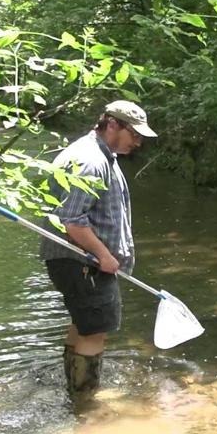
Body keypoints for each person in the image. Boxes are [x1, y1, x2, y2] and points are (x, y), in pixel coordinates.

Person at [40, 99, 155, 402]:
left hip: (81, 263)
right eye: (135, 134)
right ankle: (86, 403)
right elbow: (72, 221)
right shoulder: (91, 160)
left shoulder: (103, 154)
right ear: (112, 124)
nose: (138, 142)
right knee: (96, 331)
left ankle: (74, 392)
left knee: (84, 325)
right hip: (83, 262)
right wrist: (104, 255)